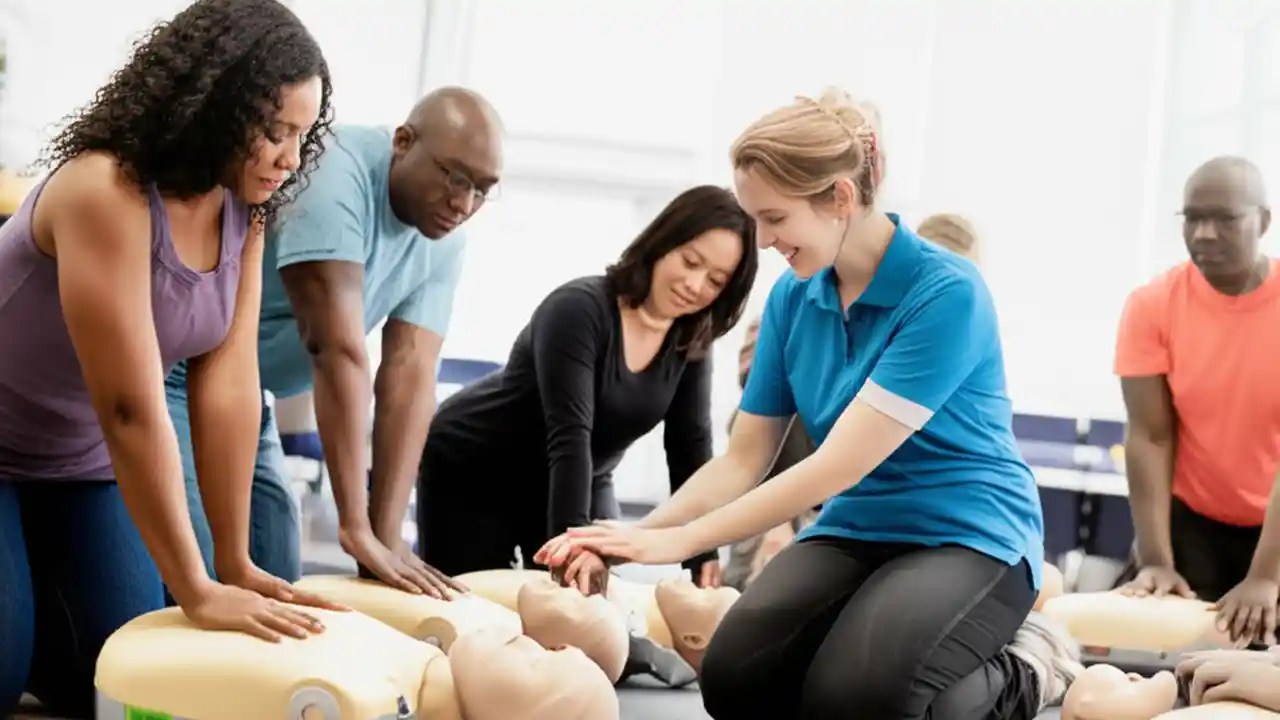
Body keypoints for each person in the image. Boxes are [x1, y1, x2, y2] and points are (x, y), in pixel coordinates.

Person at [553, 89, 1077, 720]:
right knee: (735, 680)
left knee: (857, 700)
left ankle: (1031, 663)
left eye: (774, 218)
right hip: (861, 525)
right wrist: (636, 536)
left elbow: (837, 466)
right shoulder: (793, 300)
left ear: (840, 198)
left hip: (970, 534)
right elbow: (744, 458)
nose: (763, 240)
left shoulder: (947, 294)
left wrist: (681, 540)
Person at [0, 1, 340, 715]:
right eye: (272, 130)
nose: (288, 156)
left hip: (78, 462)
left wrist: (232, 561)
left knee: (112, 676)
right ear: (211, 105)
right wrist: (194, 586)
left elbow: (228, 384)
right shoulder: (104, 189)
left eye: (302, 135)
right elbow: (130, 407)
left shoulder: (244, 211)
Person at [166, 87, 504, 598]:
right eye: (454, 177)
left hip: (246, 394)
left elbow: (410, 377)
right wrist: (355, 526)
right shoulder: (331, 172)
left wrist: (387, 534)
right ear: (403, 142)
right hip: (175, 373)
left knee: (279, 573)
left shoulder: (446, 238)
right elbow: (336, 348)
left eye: (483, 189)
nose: (464, 203)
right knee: (202, 570)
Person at [421, 185, 758, 594]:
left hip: (584, 477)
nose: (694, 284)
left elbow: (689, 447)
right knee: (478, 609)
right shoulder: (579, 309)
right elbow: (570, 434)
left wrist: (701, 552)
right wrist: (573, 544)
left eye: (715, 280)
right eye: (690, 261)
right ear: (662, 243)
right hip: (480, 468)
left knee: (594, 606)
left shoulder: (692, 342)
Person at [721, 210, 984, 591]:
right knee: (750, 588)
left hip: (849, 500)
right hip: (784, 476)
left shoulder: (945, 332)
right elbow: (758, 419)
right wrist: (776, 518)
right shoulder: (807, 304)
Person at [1115, 155, 1280, 647]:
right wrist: (1156, 561)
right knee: (1158, 662)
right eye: (1192, 217)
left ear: (1263, 222)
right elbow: (1149, 434)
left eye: (1225, 219)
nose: (1204, 234)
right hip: (1193, 520)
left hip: (1273, 530)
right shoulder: (1152, 304)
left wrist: (1266, 576)